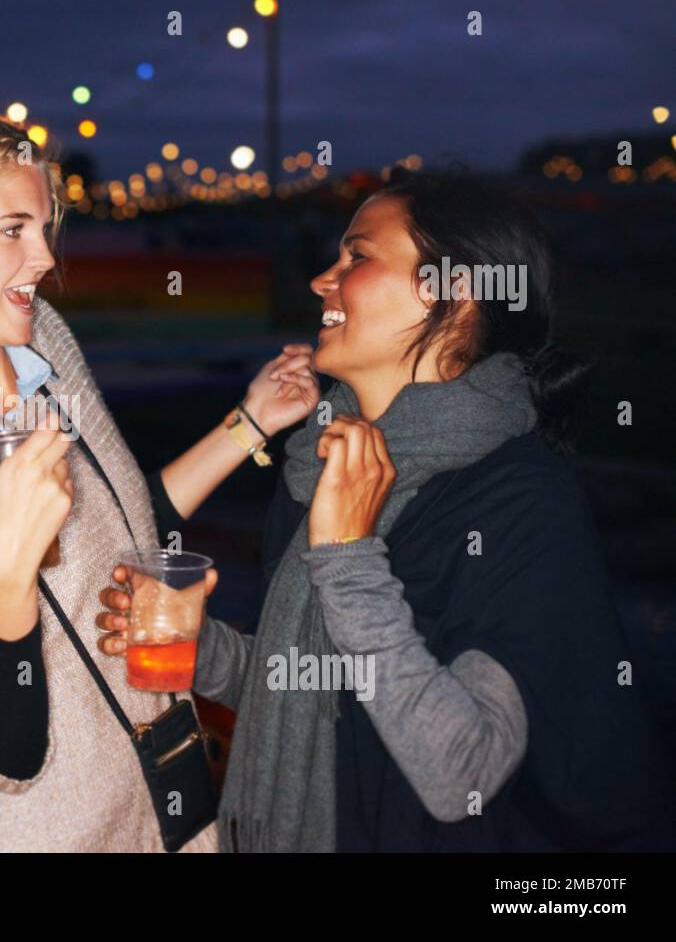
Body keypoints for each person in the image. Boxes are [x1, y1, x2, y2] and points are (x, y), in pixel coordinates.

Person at [97, 170, 675, 851]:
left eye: (357, 256)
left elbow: (463, 766)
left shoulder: (520, 497)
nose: (322, 279)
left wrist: (348, 559)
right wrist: (203, 649)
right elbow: (320, 697)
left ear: (456, 295)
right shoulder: (320, 463)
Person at [0, 106, 318, 851]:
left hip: (169, 804)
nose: (43, 257)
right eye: (13, 229)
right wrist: (3, 575)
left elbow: (127, 519)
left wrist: (249, 424)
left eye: (44, 228)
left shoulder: (44, 341)